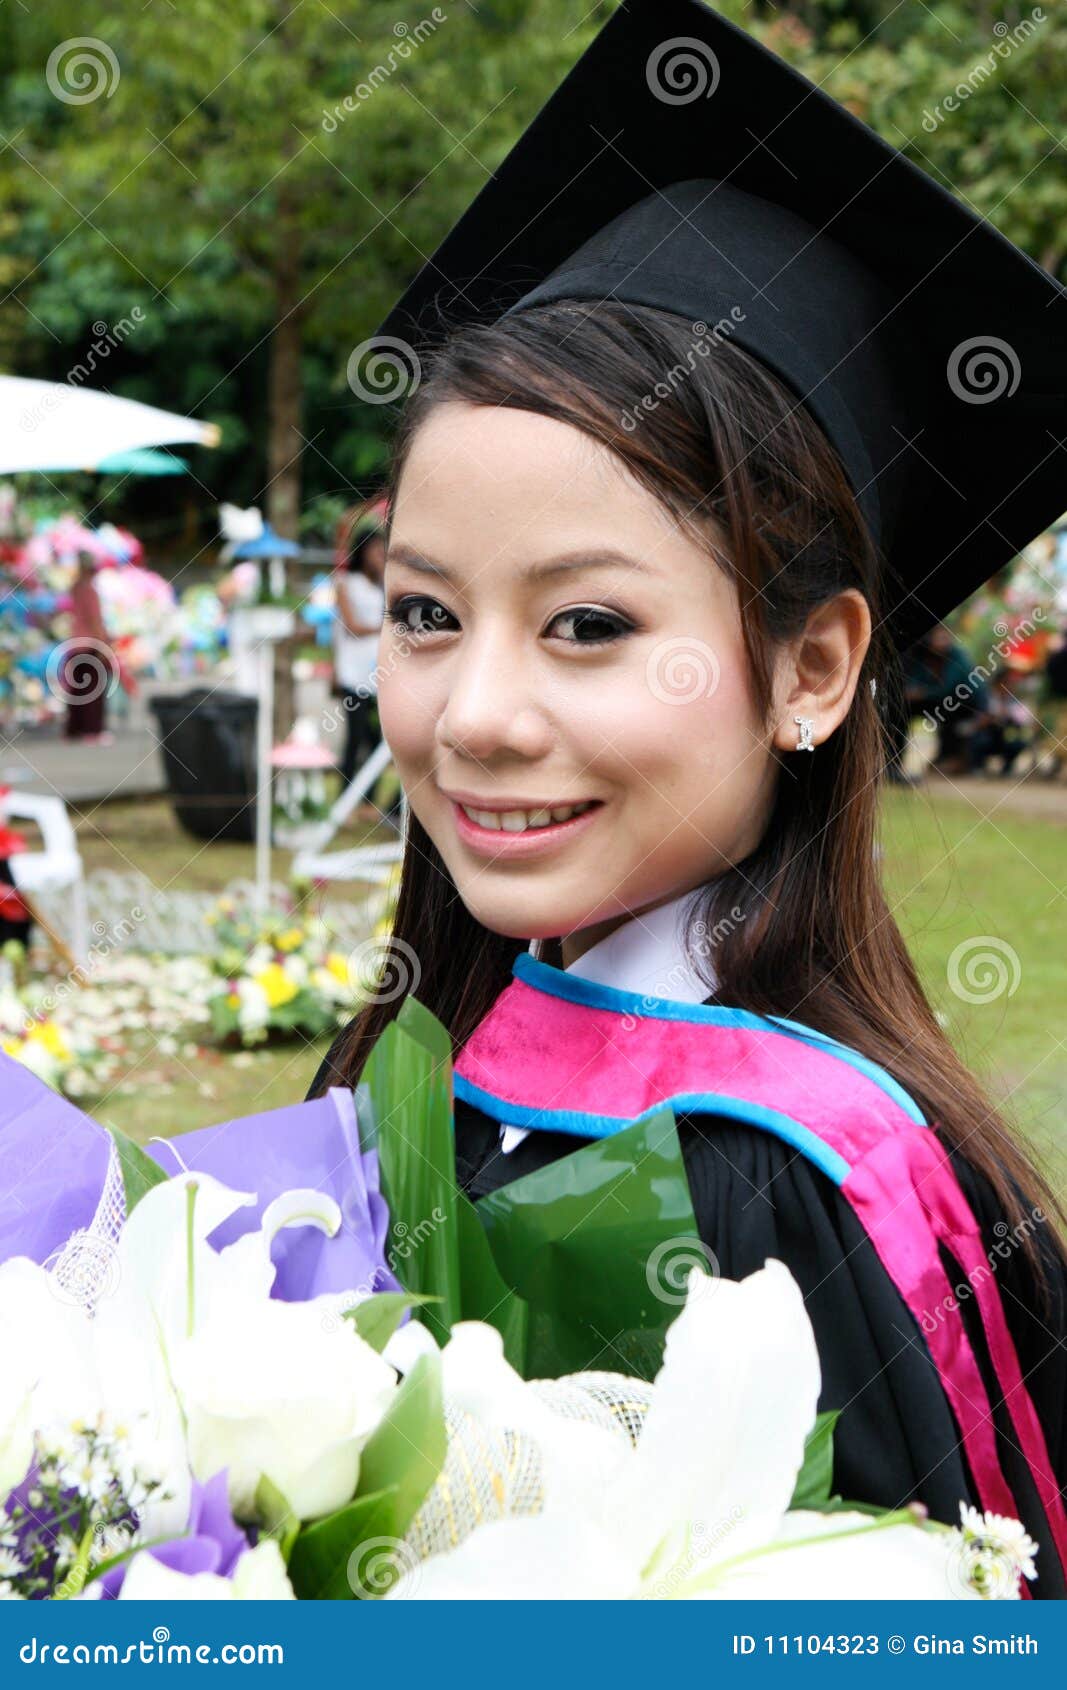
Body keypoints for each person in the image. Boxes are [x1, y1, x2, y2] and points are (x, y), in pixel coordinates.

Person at [306, 0, 1067, 1594]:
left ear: (808, 670)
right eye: (426, 612)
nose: (478, 714)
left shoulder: (820, 1182)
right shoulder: (420, 1061)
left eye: (588, 624)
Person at [332, 513, 386, 804]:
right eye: (376, 551)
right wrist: (385, 627)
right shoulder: (346, 584)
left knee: (375, 739)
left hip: (377, 675)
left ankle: (367, 801)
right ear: (363, 551)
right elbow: (351, 626)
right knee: (354, 738)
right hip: (353, 675)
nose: (381, 557)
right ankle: (345, 799)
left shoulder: (384, 587)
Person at [62, 552, 114, 744]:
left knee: (77, 691)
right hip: (90, 644)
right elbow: (94, 621)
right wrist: (103, 645)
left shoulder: (75, 588)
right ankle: (93, 730)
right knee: (93, 691)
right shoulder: (89, 590)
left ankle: (74, 730)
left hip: (75, 644)